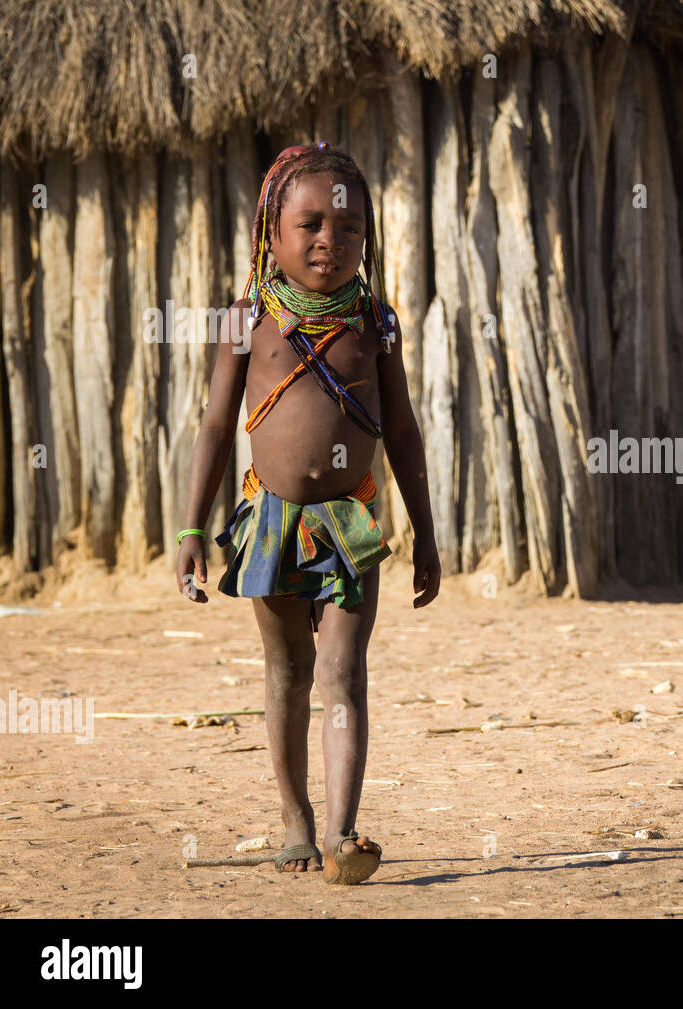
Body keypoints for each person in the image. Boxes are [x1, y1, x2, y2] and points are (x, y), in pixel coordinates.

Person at [173, 142, 442, 884]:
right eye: (312, 224)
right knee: (289, 669)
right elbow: (217, 427)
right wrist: (194, 529)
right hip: (270, 520)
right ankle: (295, 822)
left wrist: (423, 530)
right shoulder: (245, 319)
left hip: (350, 522)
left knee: (343, 672)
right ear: (272, 233)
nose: (332, 239)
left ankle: (343, 831)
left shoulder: (375, 321)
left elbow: (405, 429)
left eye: (350, 229)